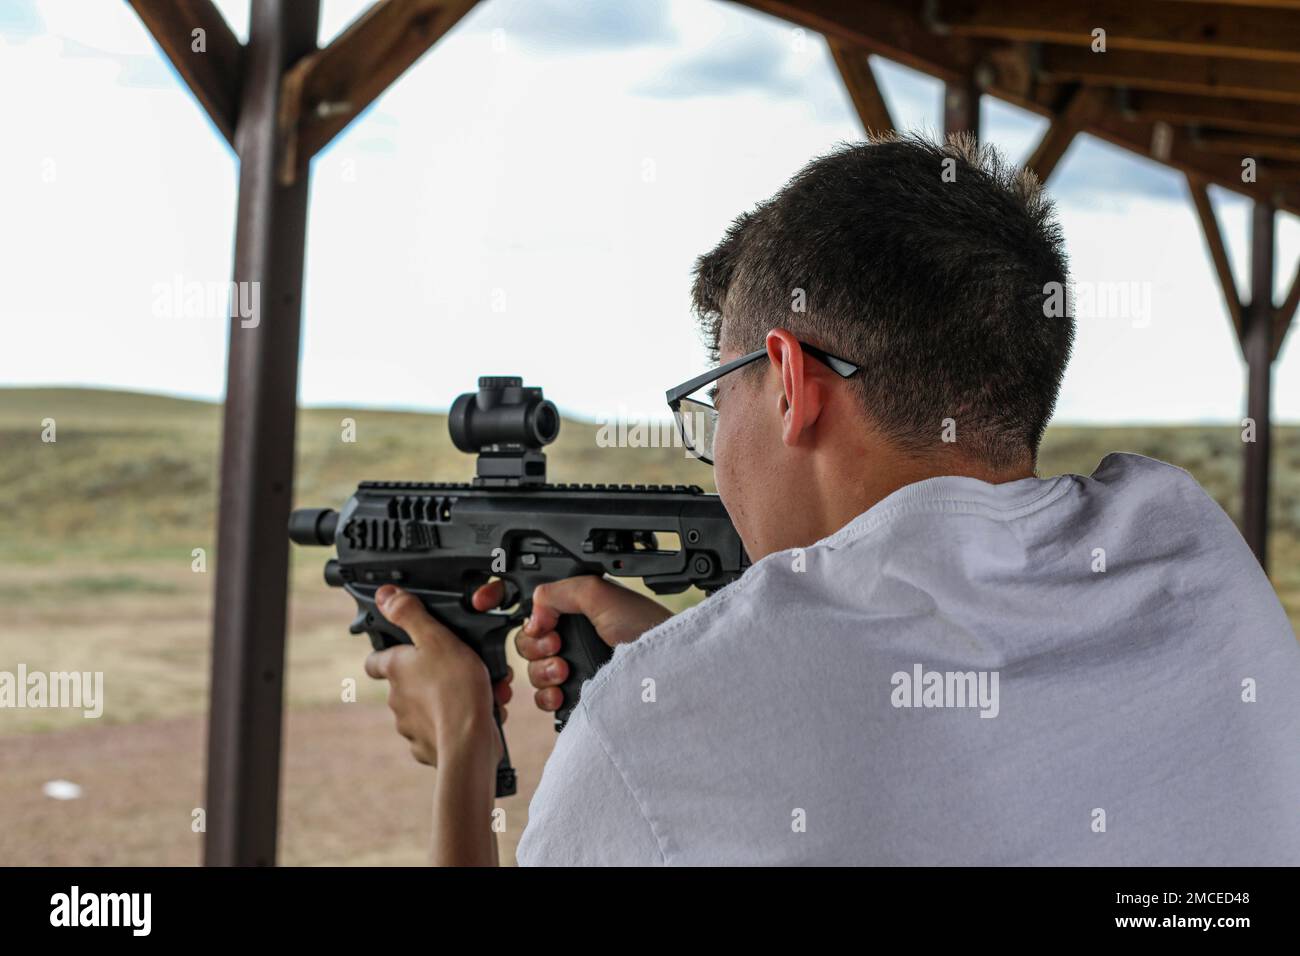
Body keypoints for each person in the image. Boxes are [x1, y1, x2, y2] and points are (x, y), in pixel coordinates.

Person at [363, 133, 1300, 866]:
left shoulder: (644, 742)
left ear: (789, 383)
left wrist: (464, 738)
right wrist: (698, 669)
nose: (716, 451)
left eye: (715, 400)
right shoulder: (1195, 558)